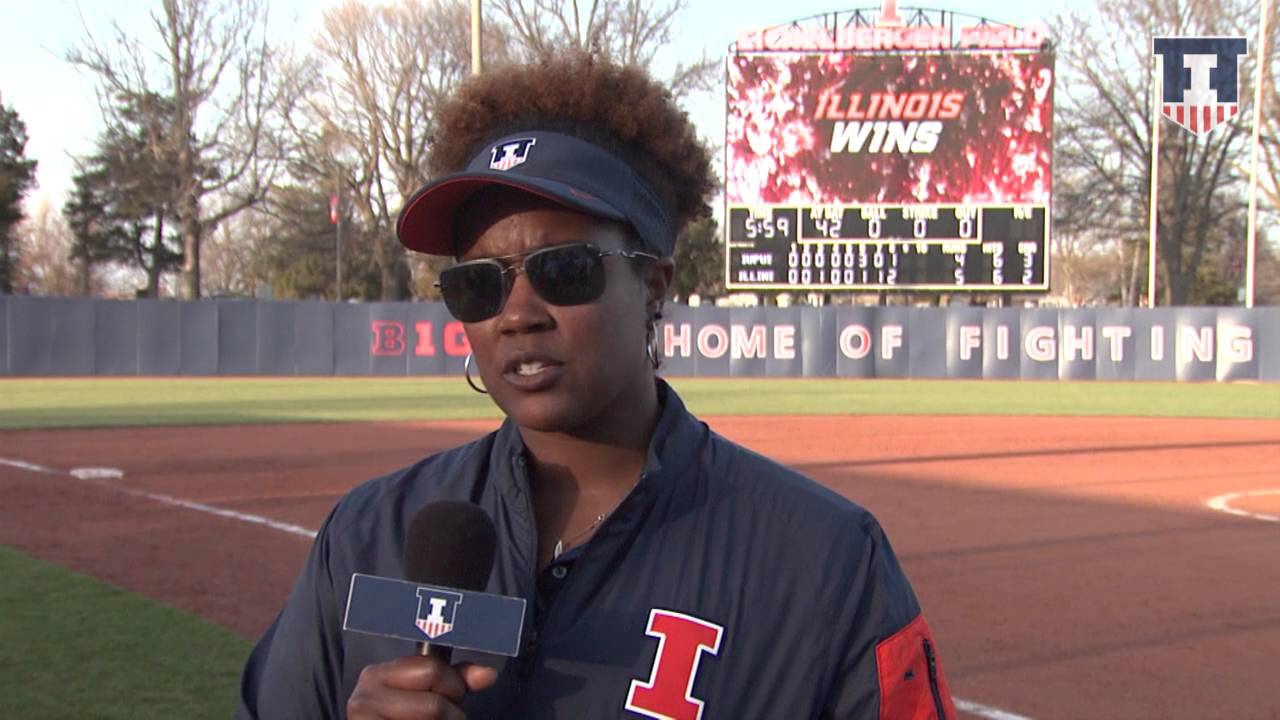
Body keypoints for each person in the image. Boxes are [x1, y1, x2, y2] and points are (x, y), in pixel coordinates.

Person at [235, 51, 957, 720]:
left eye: (565, 269)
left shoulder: (823, 560)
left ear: (654, 285)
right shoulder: (368, 534)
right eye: (476, 284)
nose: (517, 314)